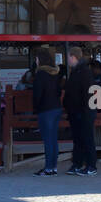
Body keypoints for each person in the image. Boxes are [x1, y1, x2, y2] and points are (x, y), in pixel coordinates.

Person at [62, 45, 97, 176]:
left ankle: (91, 166)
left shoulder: (85, 72)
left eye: (69, 57)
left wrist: (88, 111)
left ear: (73, 57)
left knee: (87, 138)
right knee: (77, 139)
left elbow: (90, 93)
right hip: (75, 111)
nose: (68, 60)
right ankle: (77, 164)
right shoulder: (76, 71)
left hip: (84, 112)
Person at [31, 47, 62, 177]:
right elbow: (59, 91)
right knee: (53, 139)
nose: (36, 61)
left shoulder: (40, 74)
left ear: (40, 60)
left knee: (47, 140)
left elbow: (37, 94)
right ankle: (53, 167)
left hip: (45, 110)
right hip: (56, 108)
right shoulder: (55, 73)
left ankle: (48, 168)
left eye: (36, 58)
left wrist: (36, 108)